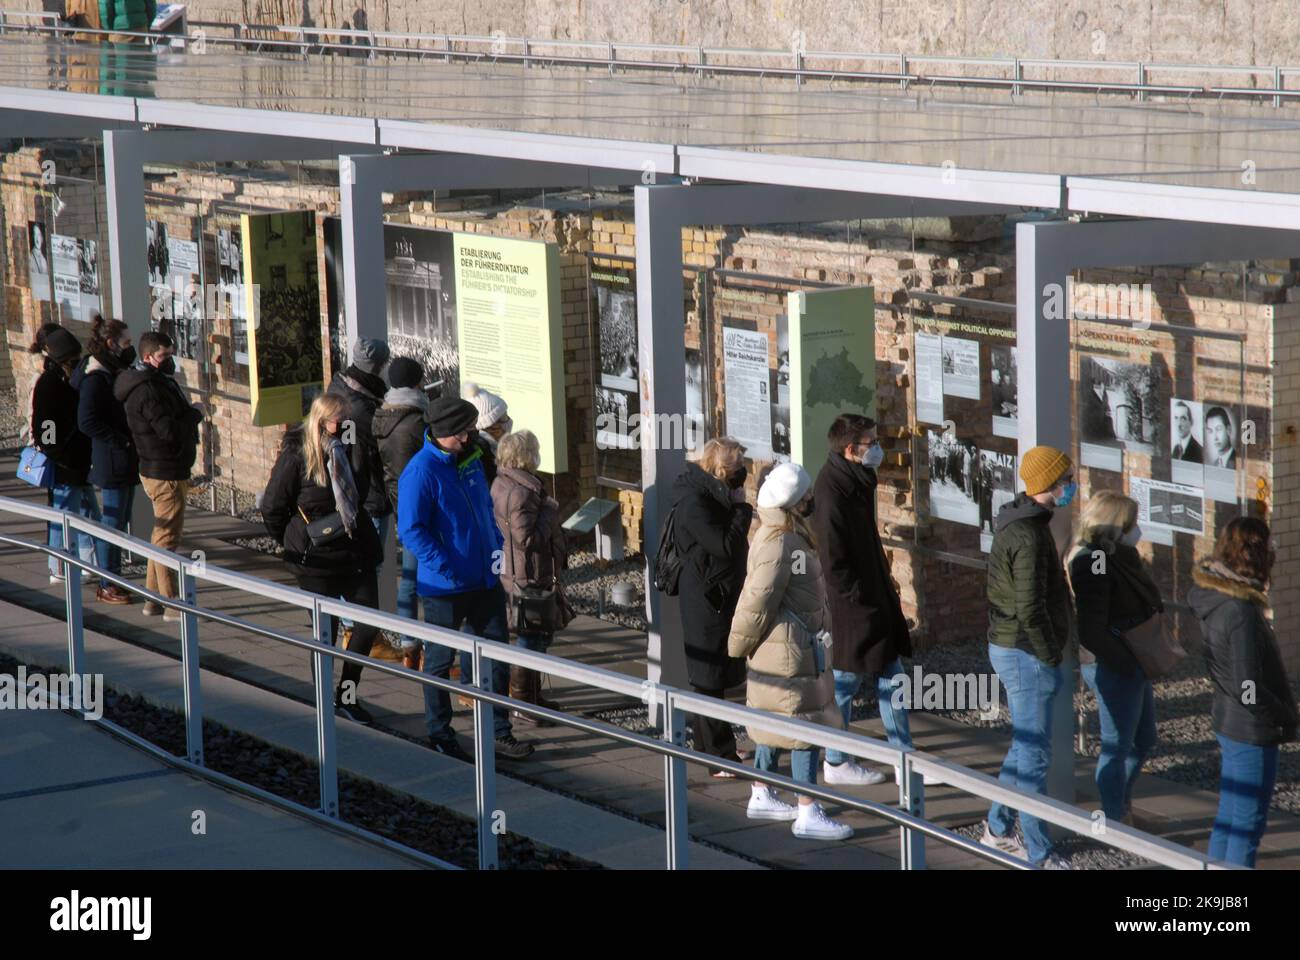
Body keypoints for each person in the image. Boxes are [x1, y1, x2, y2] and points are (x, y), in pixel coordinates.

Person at [398, 395, 533, 761]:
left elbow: (485, 512)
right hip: (444, 587)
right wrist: (447, 567)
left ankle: (498, 733)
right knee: (440, 661)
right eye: (464, 431)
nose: (471, 436)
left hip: (484, 582)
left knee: (496, 657)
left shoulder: (471, 462)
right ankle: (439, 731)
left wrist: (495, 551)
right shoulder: (421, 471)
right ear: (445, 432)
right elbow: (411, 531)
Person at [728, 462, 851, 840]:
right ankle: (807, 810)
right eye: (807, 496)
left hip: (790, 646)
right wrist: (738, 643)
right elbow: (757, 600)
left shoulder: (783, 535)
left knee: (774, 720)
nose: (813, 499)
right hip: (789, 651)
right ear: (794, 503)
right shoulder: (780, 542)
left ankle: (762, 791)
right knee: (803, 728)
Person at [813, 413, 929, 787]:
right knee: (848, 680)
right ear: (850, 450)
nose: (878, 449)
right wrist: (860, 600)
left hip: (870, 598)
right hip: (855, 606)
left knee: (888, 674)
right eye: (871, 444)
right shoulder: (833, 492)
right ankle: (836, 759)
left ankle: (901, 756)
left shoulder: (854, 480)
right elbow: (834, 562)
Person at [260, 394, 384, 724]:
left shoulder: (353, 445)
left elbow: (366, 488)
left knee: (368, 622)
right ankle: (322, 699)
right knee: (324, 631)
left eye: (348, 421)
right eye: (337, 421)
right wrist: (291, 540)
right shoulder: (297, 454)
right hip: (316, 557)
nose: (345, 427)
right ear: (319, 421)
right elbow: (272, 506)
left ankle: (348, 695)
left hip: (355, 549)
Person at [980, 445, 1075, 869]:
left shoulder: (1021, 522)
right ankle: (1039, 851)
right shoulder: (1031, 535)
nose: (1071, 484)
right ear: (1050, 483)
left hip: (1014, 646)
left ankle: (998, 828)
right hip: (1025, 652)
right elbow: (1030, 607)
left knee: (1024, 747)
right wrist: (1051, 654)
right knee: (1034, 755)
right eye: (1066, 478)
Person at [1188, 518, 1297, 867]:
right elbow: (1248, 688)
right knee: (1247, 825)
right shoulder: (1241, 611)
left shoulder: (1217, 595)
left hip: (1229, 722)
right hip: (1251, 730)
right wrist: (1285, 713)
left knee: (1230, 815)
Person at [1067, 491, 1162, 825]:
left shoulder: (1117, 554)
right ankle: (1113, 817)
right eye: (1132, 523)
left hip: (1131, 661)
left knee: (1144, 738)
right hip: (1115, 663)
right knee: (1117, 744)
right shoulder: (1093, 560)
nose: (1137, 530)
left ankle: (1121, 805)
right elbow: (1092, 628)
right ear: (1115, 525)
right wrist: (1126, 663)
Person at [671, 437, 752, 777]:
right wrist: (742, 510)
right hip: (705, 597)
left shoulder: (707, 493)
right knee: (708, 676)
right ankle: (719, 757)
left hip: (714, 591)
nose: (742, 476)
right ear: (721, 471)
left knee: (713, 672)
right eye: (737, 470)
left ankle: (710, 748)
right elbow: (723, 545)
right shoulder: (695, 501)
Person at [115, 331, 202, 620]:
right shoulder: (148, 390)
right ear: (148, 357)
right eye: (164, 356)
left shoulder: (150, 382)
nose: (170, 360)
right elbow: (169, 431)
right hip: (166, 471)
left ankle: (152, 601)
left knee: (159, 535)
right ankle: (172, 602)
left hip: (158, 468)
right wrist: (194, 415)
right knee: (168, 538)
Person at [492, 429, 571, 726]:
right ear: (526, 456)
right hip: (527, 574)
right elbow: (525, 539)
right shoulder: (521, 492)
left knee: (536, 634)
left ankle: (533, 697)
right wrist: (550, 512)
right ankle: (523, 701)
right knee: (530, 638)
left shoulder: (505, 483)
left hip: (520, 572)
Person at [73, 315, 139, 605]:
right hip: (112, 459)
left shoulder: (113, 370)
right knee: (112, 521)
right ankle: (107, 581)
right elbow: (87, 421)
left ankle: (114, 577)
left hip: (123, 457)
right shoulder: (96, 377)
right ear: (111, 344)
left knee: (121, 519)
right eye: (126, 343)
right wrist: (121, 440)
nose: (130, 348)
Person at [30, 326, 100, 584]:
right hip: (65, 463)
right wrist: (55, 451)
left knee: (87, 514)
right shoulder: (49, 383)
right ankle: (57, 567)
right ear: (63, 360)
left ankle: (89, 564)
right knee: (64, 515)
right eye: (73, 359)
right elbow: (44, 423)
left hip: (79, 461)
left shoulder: (67, 381)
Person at [373, 356, 430, 671]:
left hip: (399, 501)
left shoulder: (382, 416)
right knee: (431, 577)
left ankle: (409, 646)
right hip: (423, 505)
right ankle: (434, 651)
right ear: (417, 382)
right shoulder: (416, 422)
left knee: (409, 576)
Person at [326, 338, 392, 545]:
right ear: (377, 365)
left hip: (351, 483)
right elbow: (385, 440)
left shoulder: (339, 384)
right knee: (373, 561)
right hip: (368, 491)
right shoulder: (363, 408)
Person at [462, 382, 512, 454]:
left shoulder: (496, 445)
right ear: (491, 425)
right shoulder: (486, 452)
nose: (509, 421)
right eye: (504, 417)